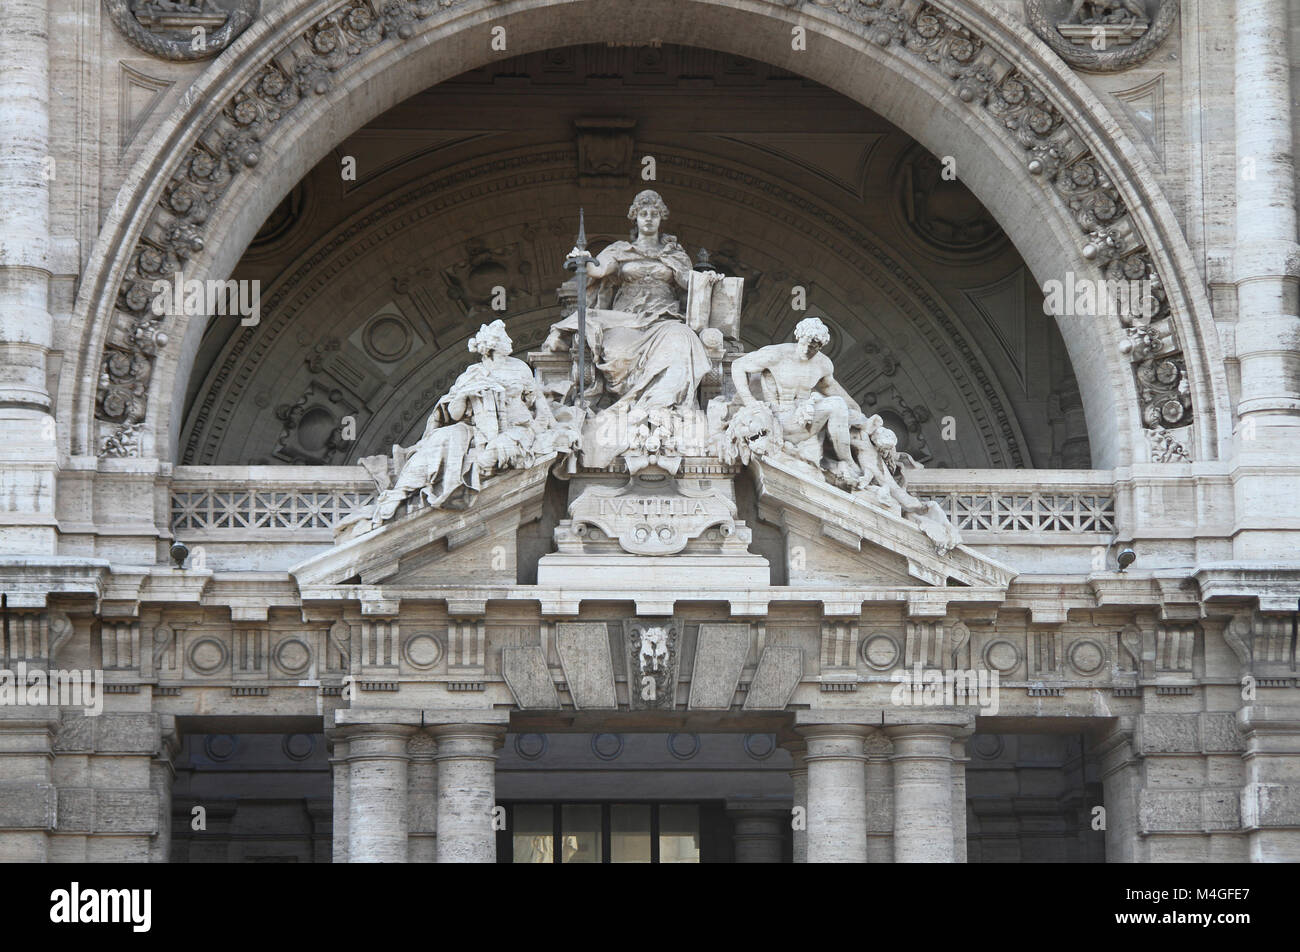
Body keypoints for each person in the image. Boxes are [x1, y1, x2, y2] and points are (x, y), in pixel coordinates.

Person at [544, 190, 721, 419]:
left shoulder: (674, 253)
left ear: (661, 218)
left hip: (664, 319)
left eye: (654, 214)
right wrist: (584, 260)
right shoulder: (620, 250)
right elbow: (598, 269)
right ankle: (633, 408)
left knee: (682, 339)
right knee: (617, 352)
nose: (648, 218)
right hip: (626, 319)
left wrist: (706, 279)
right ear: (635, 218)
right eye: (643, 213)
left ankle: (660, 407)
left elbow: (688, 281)